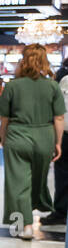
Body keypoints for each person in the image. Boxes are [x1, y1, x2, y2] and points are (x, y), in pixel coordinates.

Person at [0, 43, 65, 238]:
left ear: (23, 60)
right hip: (44, 137)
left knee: (18, 183)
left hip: (17, 135)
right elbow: (59, 118)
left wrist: (3, 137)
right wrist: (58, 143)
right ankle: (30, 216)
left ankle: (24, 225)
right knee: (37, 181)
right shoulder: (52, 86)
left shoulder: (12, 86)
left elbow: (4, 118)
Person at [46, 56, 68, 225]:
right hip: (66, 134)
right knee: (62, 174)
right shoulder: (65, 80)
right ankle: (60, 210)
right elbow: (60, 110)